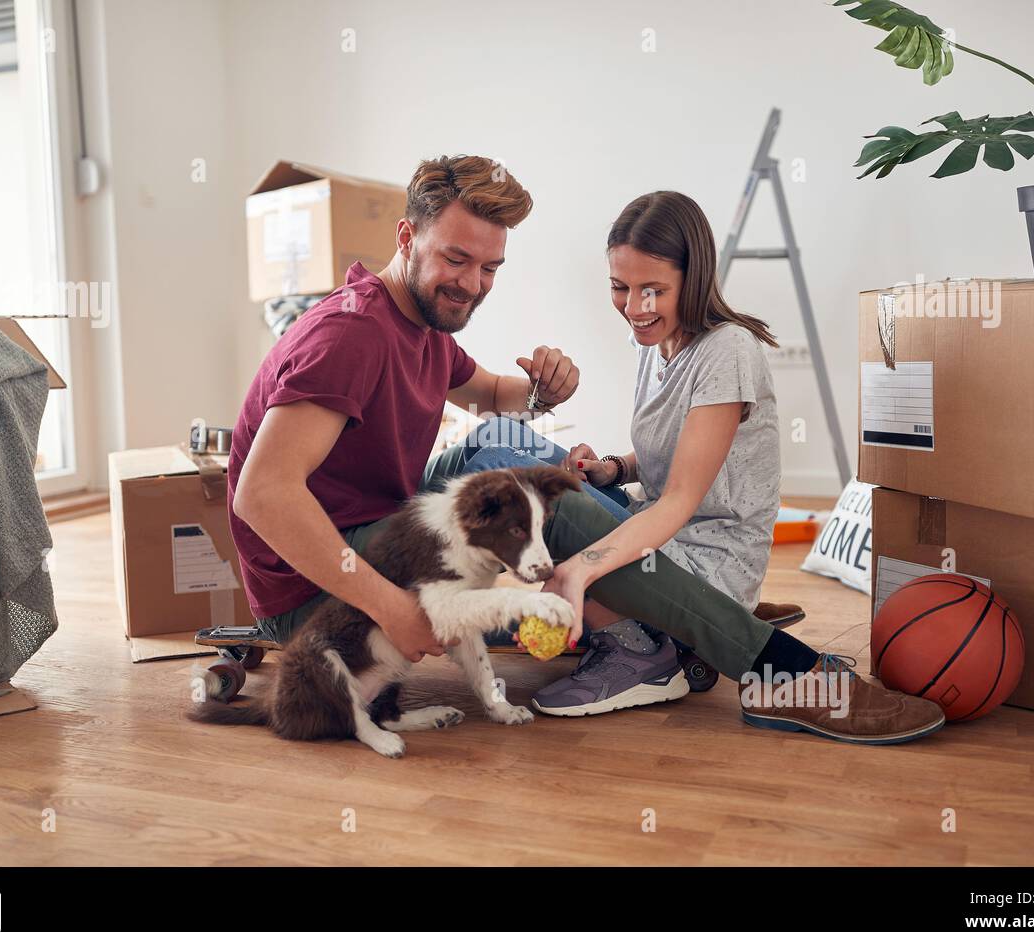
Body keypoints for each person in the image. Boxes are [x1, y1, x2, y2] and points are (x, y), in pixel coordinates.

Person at [228, 155, 945, 746]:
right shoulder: (350, 336)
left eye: (490, 268)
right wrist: (390, 606)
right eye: (455, 259)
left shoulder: (419, 324)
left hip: (379, 538)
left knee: (495, 448)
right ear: (405, 235)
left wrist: (543, 390)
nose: (471, 284)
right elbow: (262, 495)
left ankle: (656, 613)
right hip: (320, 602)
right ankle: (780, 670)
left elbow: (491, 395)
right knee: (517, 487)